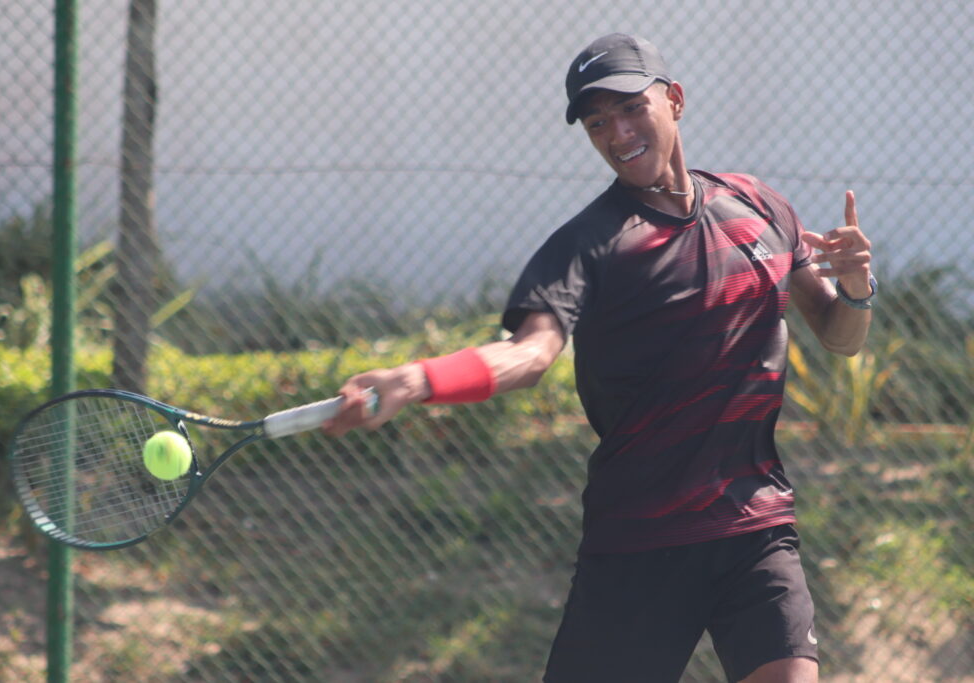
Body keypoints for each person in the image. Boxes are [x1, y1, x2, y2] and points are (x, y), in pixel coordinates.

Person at [326, 33, 874, 683]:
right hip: (641, 541)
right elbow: (530, 355)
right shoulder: (589, 244)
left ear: (675, 100)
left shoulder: (757, 205)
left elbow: (840, 335)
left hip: (756, 528)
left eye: (631, 108)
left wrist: (857, 287)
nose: (618, 133)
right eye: (597, 123)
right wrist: (417, 379)